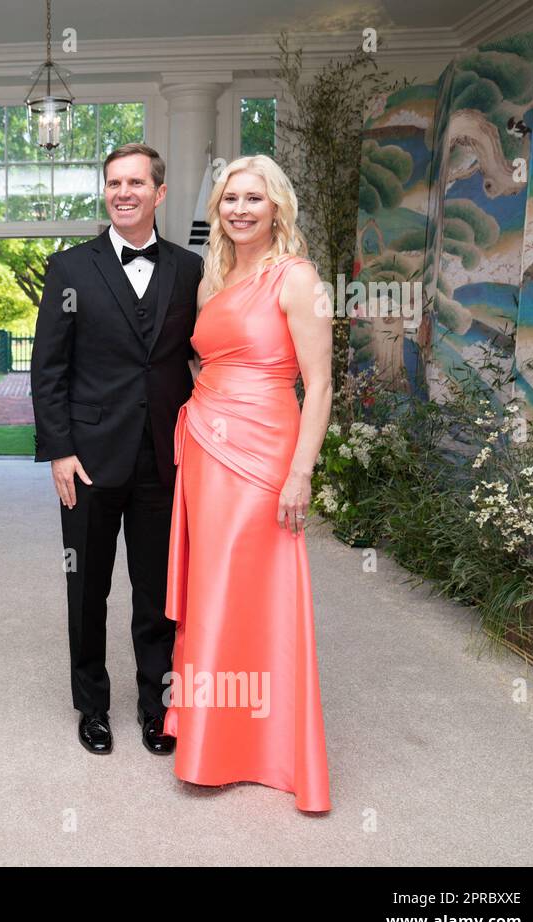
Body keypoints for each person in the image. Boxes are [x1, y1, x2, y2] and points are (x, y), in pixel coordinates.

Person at [163, 155, 332, 811]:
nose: (239, 209)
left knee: (254, 586)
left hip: (264, 453)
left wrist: (301, 471)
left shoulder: (297, 277)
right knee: (213, 586)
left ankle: (260, 745)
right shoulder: (214, 279)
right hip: (205, 446)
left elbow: (318, 385)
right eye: (230, 198)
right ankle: (209, 731)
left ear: (276, 207)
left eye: (253, 199)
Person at [30, 143, 203, 758]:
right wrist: (58, 451)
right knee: (87, 589)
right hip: (89, 460)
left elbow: (202, 357)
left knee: (158, 594)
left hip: (166, 457)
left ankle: (157, 709)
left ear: (159, 193)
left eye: (135, 182)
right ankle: (92, 707)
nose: (123, 192)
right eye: (113, 182)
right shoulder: (69, 269)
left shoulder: (189, 270)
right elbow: (48, 367)